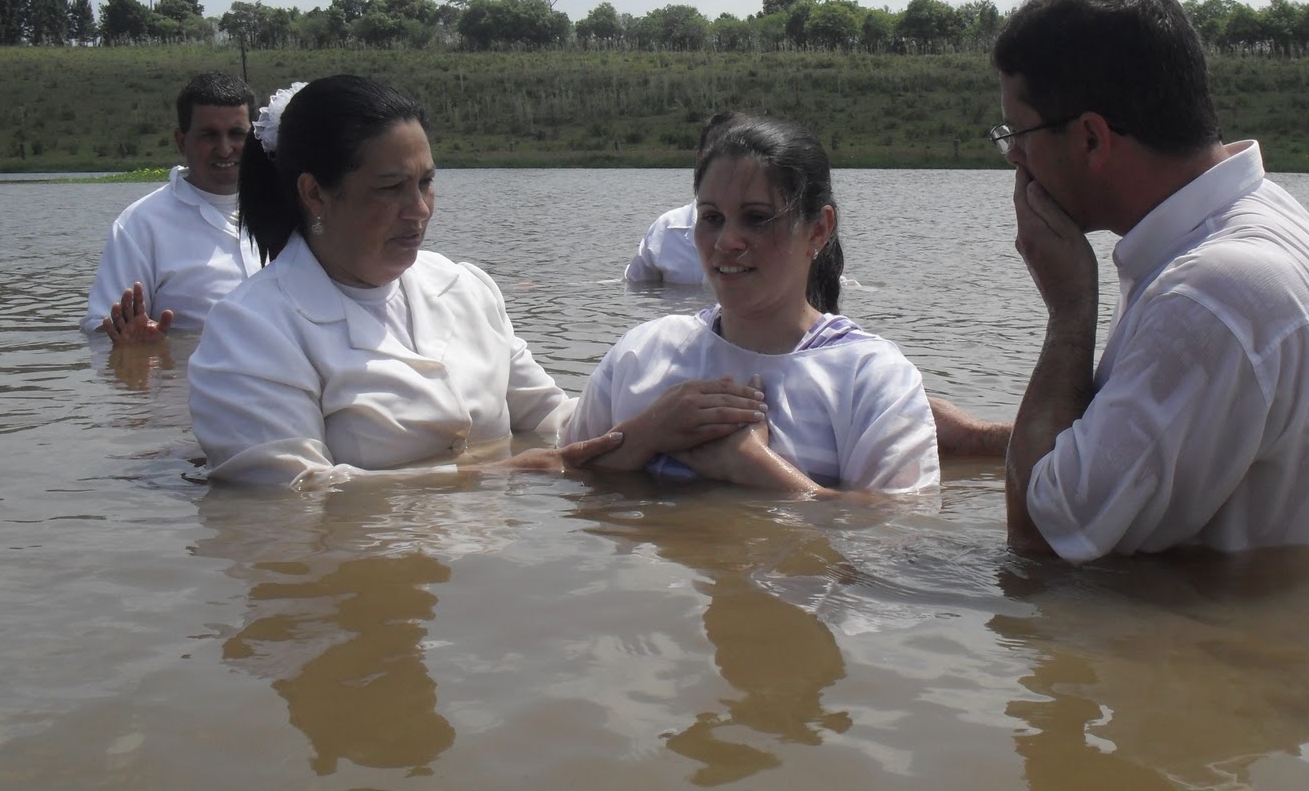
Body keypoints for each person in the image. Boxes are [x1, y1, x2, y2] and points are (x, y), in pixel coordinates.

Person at [993, 0, 1309, 561]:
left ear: (1091, 138)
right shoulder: (1264, 215)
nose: (1014, 156)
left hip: (1204, 646)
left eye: (1019, 133)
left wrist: (1069, 309)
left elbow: (1041, 534)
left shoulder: (1209, 294)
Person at [188, 75, 643, 488]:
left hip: (491, 562)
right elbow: (291, 492)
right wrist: (500, 473)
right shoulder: (250, 329)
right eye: (390, 188)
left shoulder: (466, 287)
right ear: (315, 193)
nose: (419, 209)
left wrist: (649, 426)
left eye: (425, 182)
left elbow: (551, 418)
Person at [563, 114, 940, 495]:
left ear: (818, 229)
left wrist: (754, 466)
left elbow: (901, 533)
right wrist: (645, 435)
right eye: (712, 217)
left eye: (757, 218)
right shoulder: (641, 354)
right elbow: (557, 486)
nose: (727, 241)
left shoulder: (869, 377)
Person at [81, 71, 262, 342]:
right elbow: (100, 326)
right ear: (181, 141)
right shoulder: (140, 224)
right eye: (208, 135)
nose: (225, 149)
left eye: (237, 134)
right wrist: (134, 343)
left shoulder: (290, 207)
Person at [622, 111, 734, 285]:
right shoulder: (667, 229)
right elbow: (634, 289)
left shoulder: (773, 230)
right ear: (700, 159)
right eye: (720, 159)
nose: (730, 171)